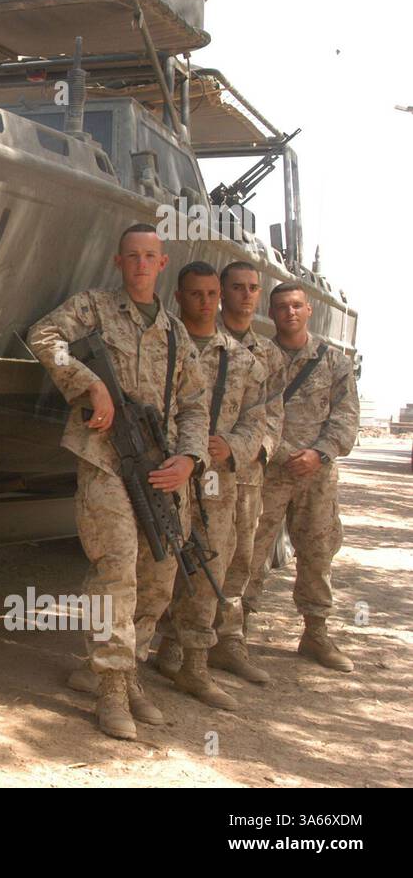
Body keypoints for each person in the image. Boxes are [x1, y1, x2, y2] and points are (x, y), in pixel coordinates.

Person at [28, 224, 207, 740]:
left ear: (163, 262)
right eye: (133, 256)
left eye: (151, 256)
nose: (141, 264)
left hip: (162, 467)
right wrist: (90, 385)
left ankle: (130, 677)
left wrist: (191, 459)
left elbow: (194, 405)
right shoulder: (94, 308)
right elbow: (44, 336)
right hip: (105, 460)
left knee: (160, 573)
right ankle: (108, 688)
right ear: (118, 262)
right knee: (117, 570)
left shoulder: (175, 333)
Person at [151, 262, 266, 710]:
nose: (205, 302)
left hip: (216, 479)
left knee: (208, 567)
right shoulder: (163, 344)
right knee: (157, 565)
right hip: (166, 470)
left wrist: (230, 445)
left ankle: (194, 666)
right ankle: (144, 653)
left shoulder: (242, 360)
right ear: (179, 296)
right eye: (195, 294)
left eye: (211, 294)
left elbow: (258, 419)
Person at [248, 282, 359, 671]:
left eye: (296, 306)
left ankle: (315, 634)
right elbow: (246, 411)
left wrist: (318, 453)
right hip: (267, 471)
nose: (289, 313)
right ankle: (233, 631)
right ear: (271, 312)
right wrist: (277, 452)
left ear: (309, 310)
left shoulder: (334, 362)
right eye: (281, 307)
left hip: (317, 475)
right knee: (250, 551)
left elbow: (346, 419)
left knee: (317, 552)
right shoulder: (257, 355)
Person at [207, 261, 285, 682]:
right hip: (203, 469)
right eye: (237, 287)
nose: (246, 295)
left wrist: (251, 452)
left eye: (254, 288)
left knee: (242, 557)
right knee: (199, 552)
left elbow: (273, 415)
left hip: (247, 471)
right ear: (223, 291)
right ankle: (177, 642)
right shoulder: (200, 336)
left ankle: (229, 641)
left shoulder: (268, 353)